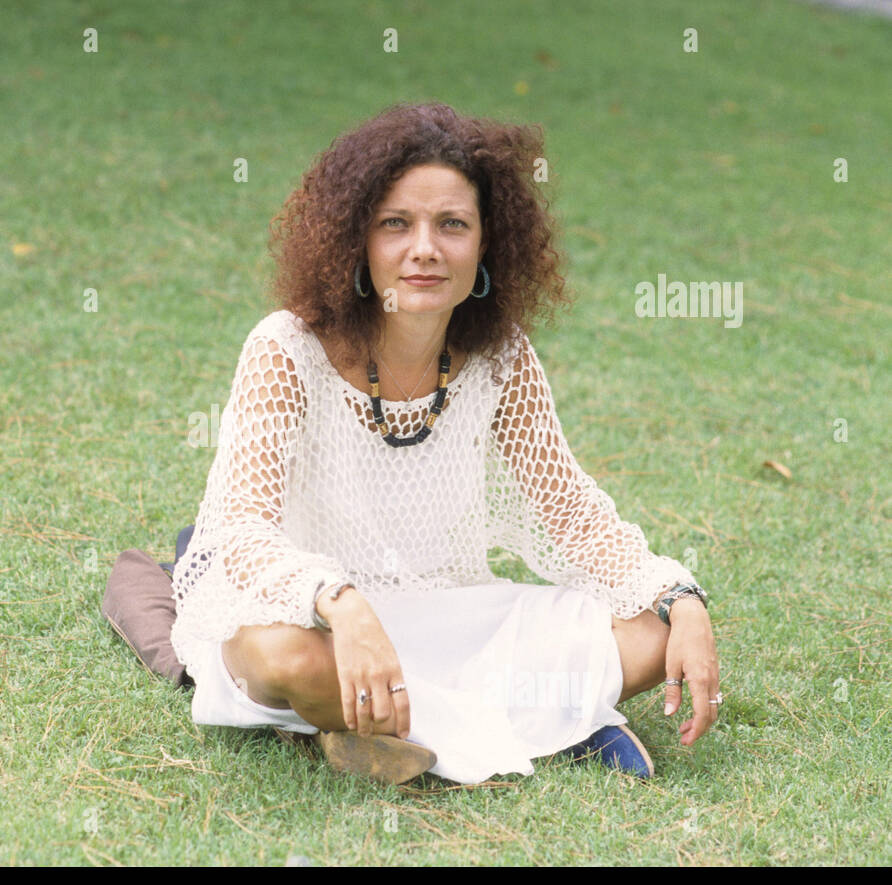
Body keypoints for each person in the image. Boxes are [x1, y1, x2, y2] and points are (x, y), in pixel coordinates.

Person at [169, 102, 722, 785]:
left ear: (487, 245)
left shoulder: (502, 358)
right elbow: (242, 531)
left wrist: (680, 595)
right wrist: (340, 604)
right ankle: (558, 720)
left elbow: (572, 514)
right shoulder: (286, 348)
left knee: (653, 636)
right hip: (318, 620)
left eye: (452, 225)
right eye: (395, 224)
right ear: (357, 242)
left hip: (450, 616)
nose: (424, 248)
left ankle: (388, 731)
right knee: (278, 658)